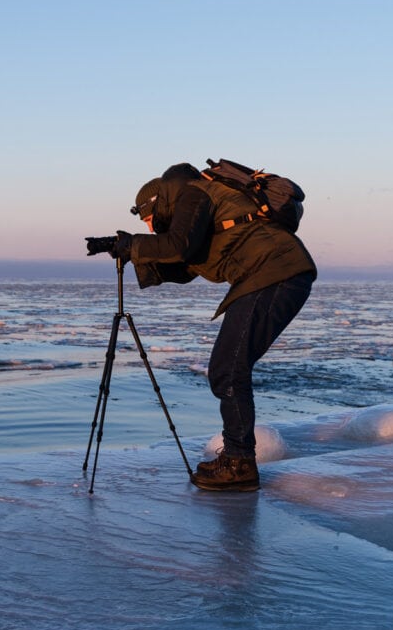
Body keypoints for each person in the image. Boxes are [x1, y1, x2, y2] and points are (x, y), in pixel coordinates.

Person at [109, 162, 316, 491]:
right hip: (273, 275)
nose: (151, 229)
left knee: (228, 368)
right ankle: (238, 458)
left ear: (159, 205)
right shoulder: (200, 213)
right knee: (227, 367)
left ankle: (239, 463)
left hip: (275, 273)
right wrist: (128, 251)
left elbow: (178, 246)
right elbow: (184, 264)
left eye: (150, 220)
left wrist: (133, 245)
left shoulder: (194, 193)